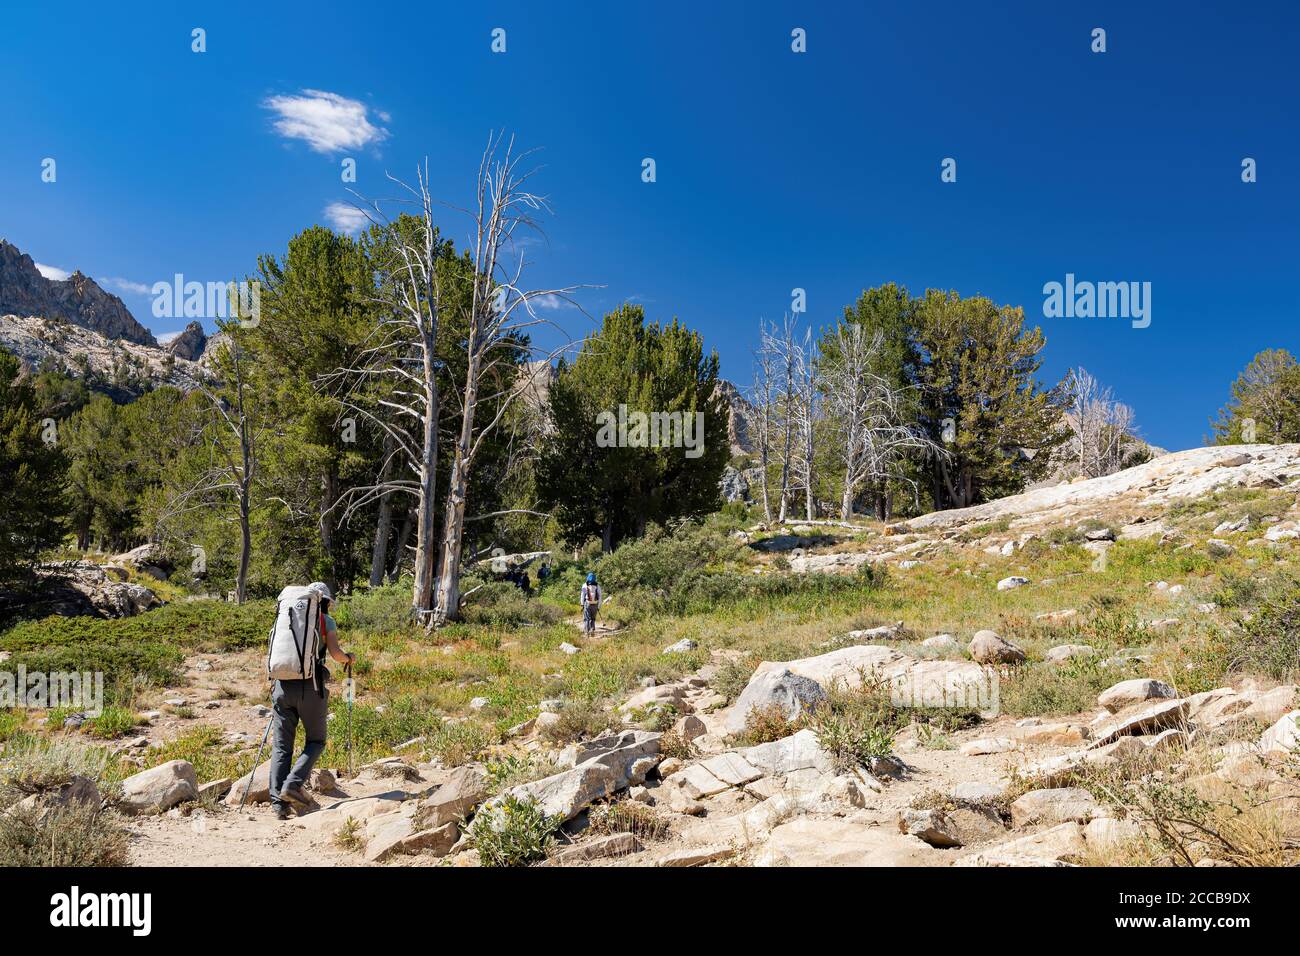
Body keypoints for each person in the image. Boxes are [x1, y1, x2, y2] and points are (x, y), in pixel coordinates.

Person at [270, 581, 354, 820]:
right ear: (325, 601)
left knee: (282, 746)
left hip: (281, 686)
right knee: (316, 740)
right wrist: (349, 658)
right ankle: (293, 785)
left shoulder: (286, 616)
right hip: (311, 687)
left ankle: (279, 805)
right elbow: (337, 655)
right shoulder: (326, 621)